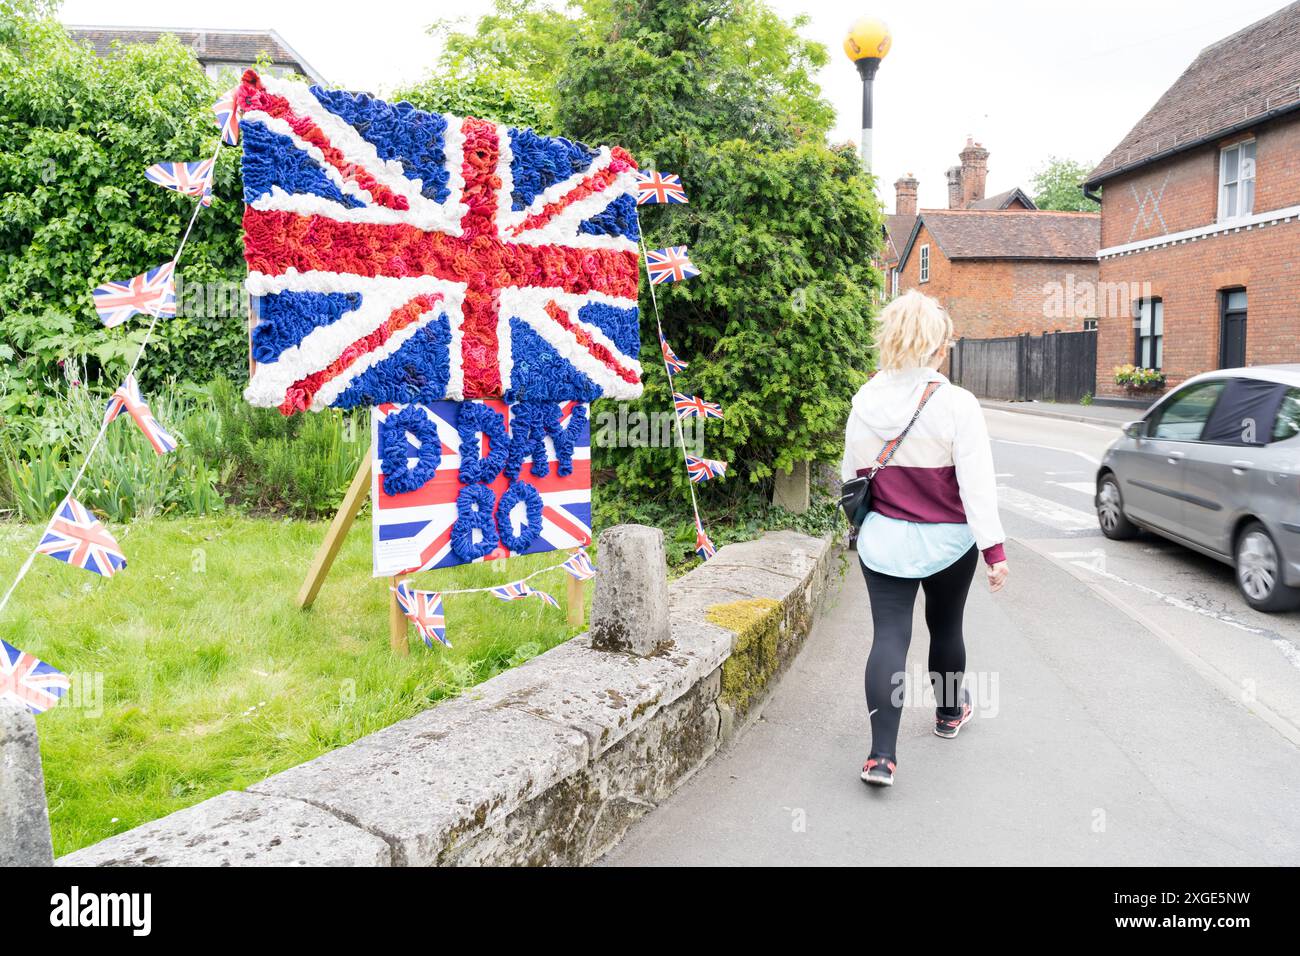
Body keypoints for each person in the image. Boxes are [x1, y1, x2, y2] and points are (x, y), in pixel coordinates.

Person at [840, 290, 1008, 788]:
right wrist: (993, 551)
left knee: (889, 637)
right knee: (946, 626)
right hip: (949, 542)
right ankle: (949, 714)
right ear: (938, 349)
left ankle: (881, 757)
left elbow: (852, 475)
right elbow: (976, 485)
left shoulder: (864, 401)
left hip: (884, 539)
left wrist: (858, 528)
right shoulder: (957, 404)